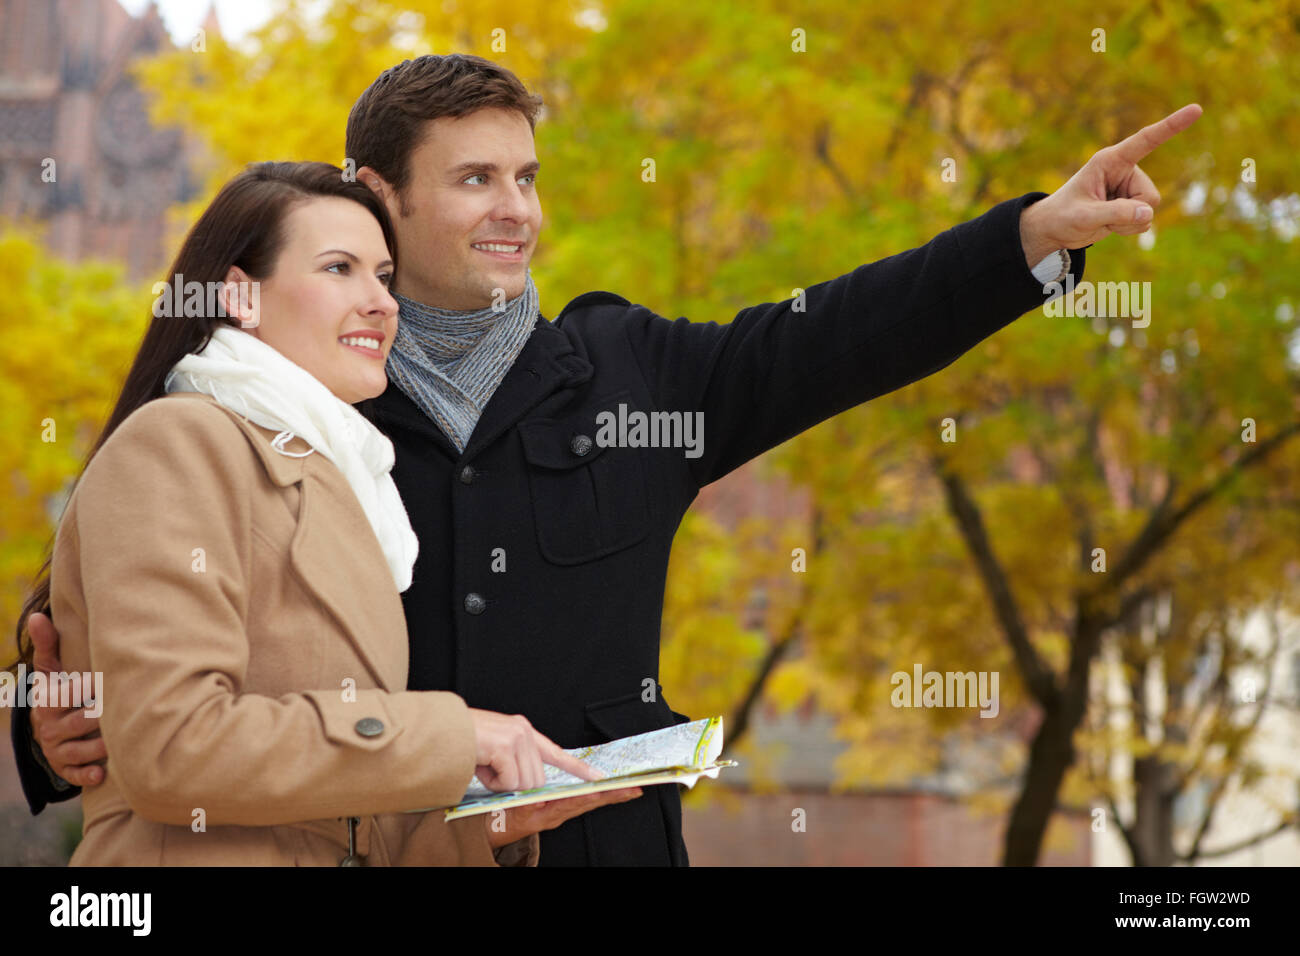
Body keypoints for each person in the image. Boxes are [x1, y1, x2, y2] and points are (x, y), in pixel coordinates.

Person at [13, 53, 1201, 866]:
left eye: (525, 177)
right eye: (475, 178)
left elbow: (835, 334)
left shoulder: (634, 373)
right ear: (379, 194)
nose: (515, 209)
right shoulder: (288, 414)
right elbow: (126, 625)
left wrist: (1027, 243)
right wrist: (45, 717)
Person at [9, 160, 628, 866]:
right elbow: (174, 749)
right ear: (241, 296)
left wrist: (483, 825)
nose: (382, 302)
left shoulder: (352, 485)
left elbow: (336, 822)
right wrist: (453, 736)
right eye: (340, 269)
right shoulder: (179, 443)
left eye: (385, 278)